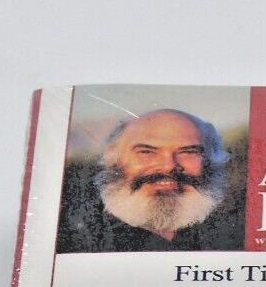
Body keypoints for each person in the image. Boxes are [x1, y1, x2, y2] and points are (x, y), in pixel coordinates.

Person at [57, 108, 243, 252]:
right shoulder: (72, 236)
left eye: (188, 152)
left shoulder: (233, 233)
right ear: (112, 157)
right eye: (147, 152)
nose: (168, 166)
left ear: (211, 160)